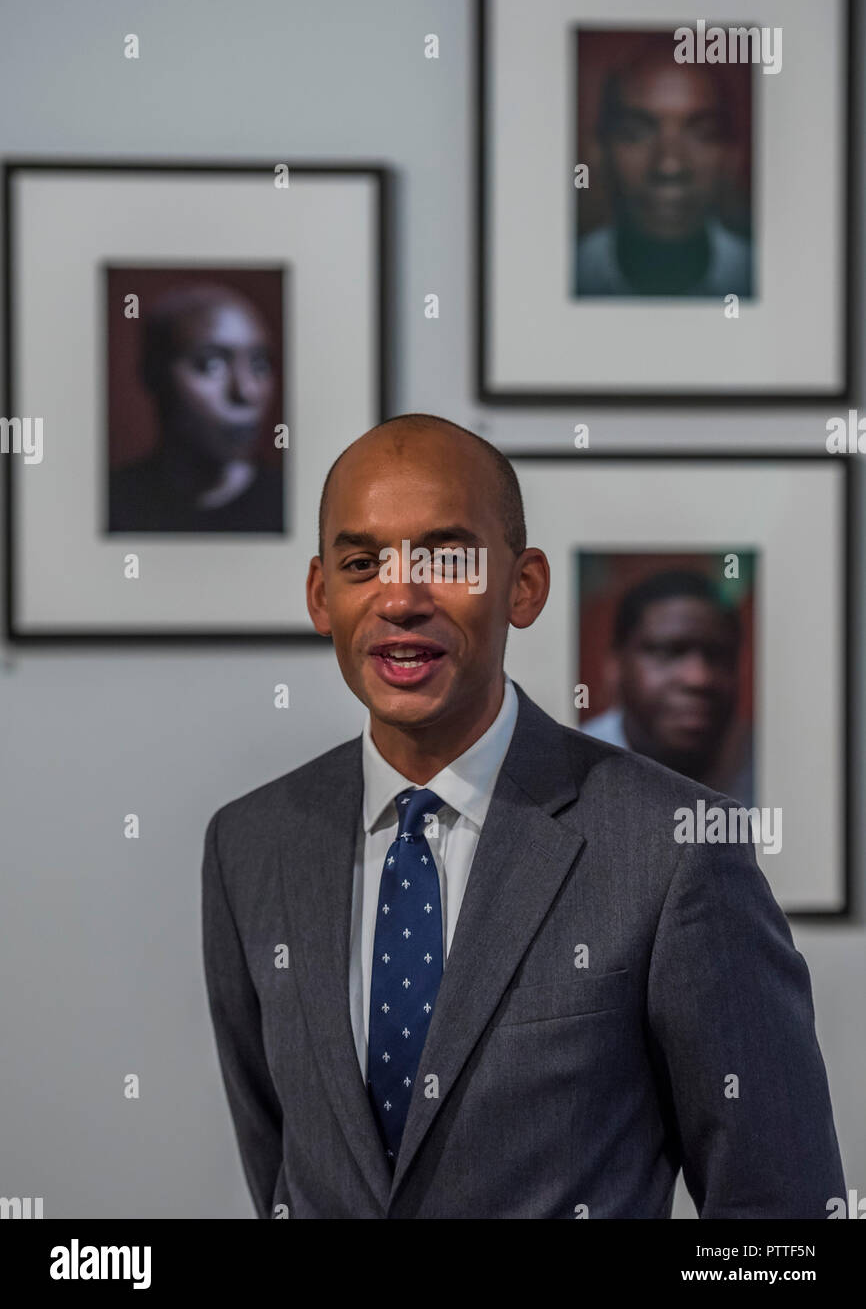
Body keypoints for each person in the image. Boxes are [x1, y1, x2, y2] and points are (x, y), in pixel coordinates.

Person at [201, 413, 843, 1219]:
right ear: (320, 594)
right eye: (362, 562)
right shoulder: (249, 845)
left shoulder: (676, 849)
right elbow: (279, 1176)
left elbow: (778, 1221)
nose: (400, 598)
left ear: (524, 586)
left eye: (447, 558)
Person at [576, 37, 752, 297]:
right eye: (635, 133)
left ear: (732, 156)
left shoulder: (765, 278)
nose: (669, 166)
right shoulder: (561, 277)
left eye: (703, 133)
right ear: (599, 154)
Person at [108, 282, 283, 532]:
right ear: (153, 374)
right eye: (211, 365)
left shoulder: (297, 505)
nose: (246, 391)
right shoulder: (109, 506)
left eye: (259, 365)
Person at [581, 567, 753, 805]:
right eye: (668, 652)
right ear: (615, 664)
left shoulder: (779, 767)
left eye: (718, 655)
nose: (698, 678)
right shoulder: (570, 771)